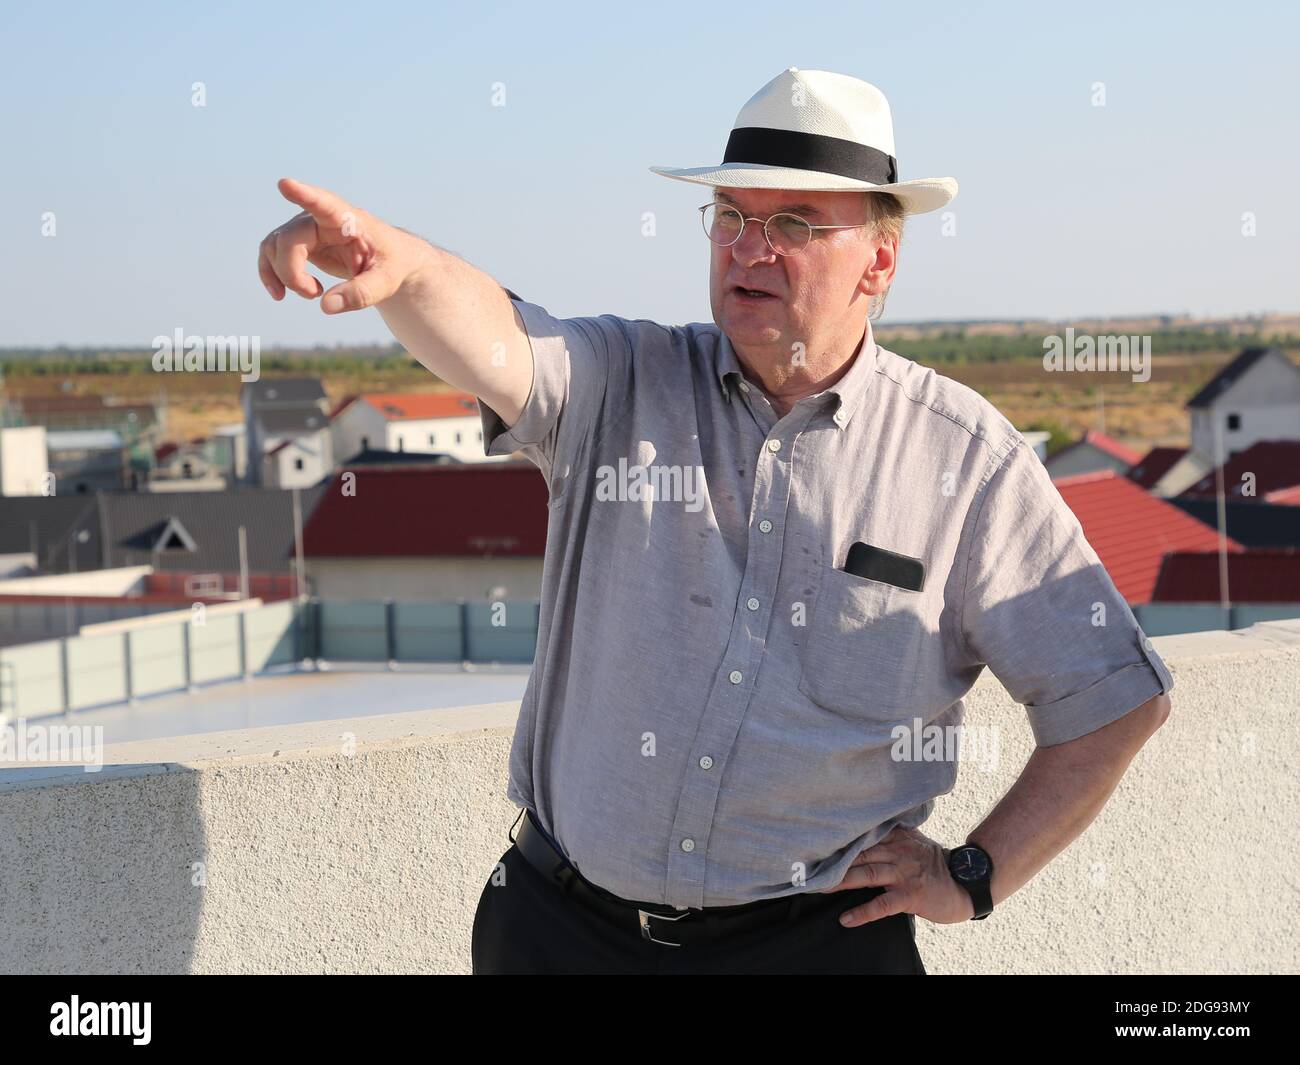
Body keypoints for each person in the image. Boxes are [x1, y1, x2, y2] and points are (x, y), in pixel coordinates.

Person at [256, 68, 1174, 975]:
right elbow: (496, 337)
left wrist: (972, 874)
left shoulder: (966, 463)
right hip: (561, 937)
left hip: (812, 952)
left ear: (880, 259)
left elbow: (1114, 698)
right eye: (731, 217)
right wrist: (400, 264)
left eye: (792, 226)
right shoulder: (623, 381)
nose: (748, 249)